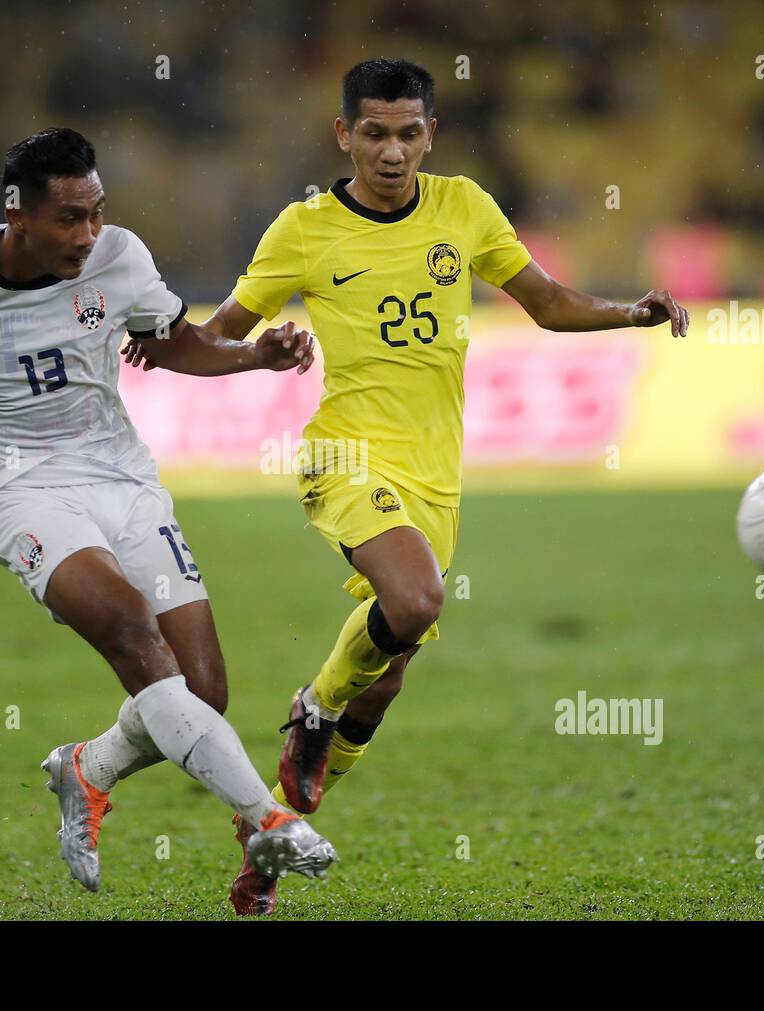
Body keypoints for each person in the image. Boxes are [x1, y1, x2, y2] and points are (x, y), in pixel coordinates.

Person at [125, 59, 688, 916]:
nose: (393, 152)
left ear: (433, 134)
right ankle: (312, 710)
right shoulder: (304, 230)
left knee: (384, 676)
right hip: (344, 457)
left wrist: (627, 313)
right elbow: (215, 340)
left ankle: (271, 836)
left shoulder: (464, 208)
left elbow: (542, 300)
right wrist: (197, 347)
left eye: (410, 133)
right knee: (416, 599)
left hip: (434, 479)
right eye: (376, 133)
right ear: (343, 135)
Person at [0, 127, 336, 896]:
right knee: (128, 627)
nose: (88, 235)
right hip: (19, 491)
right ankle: (266, 820)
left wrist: (256, 355)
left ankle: (89, 766)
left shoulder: (121, 259)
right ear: (17, 216)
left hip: (122, 479)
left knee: (203, 689)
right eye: (69, 218)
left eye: (96, 212)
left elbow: (175, 342)